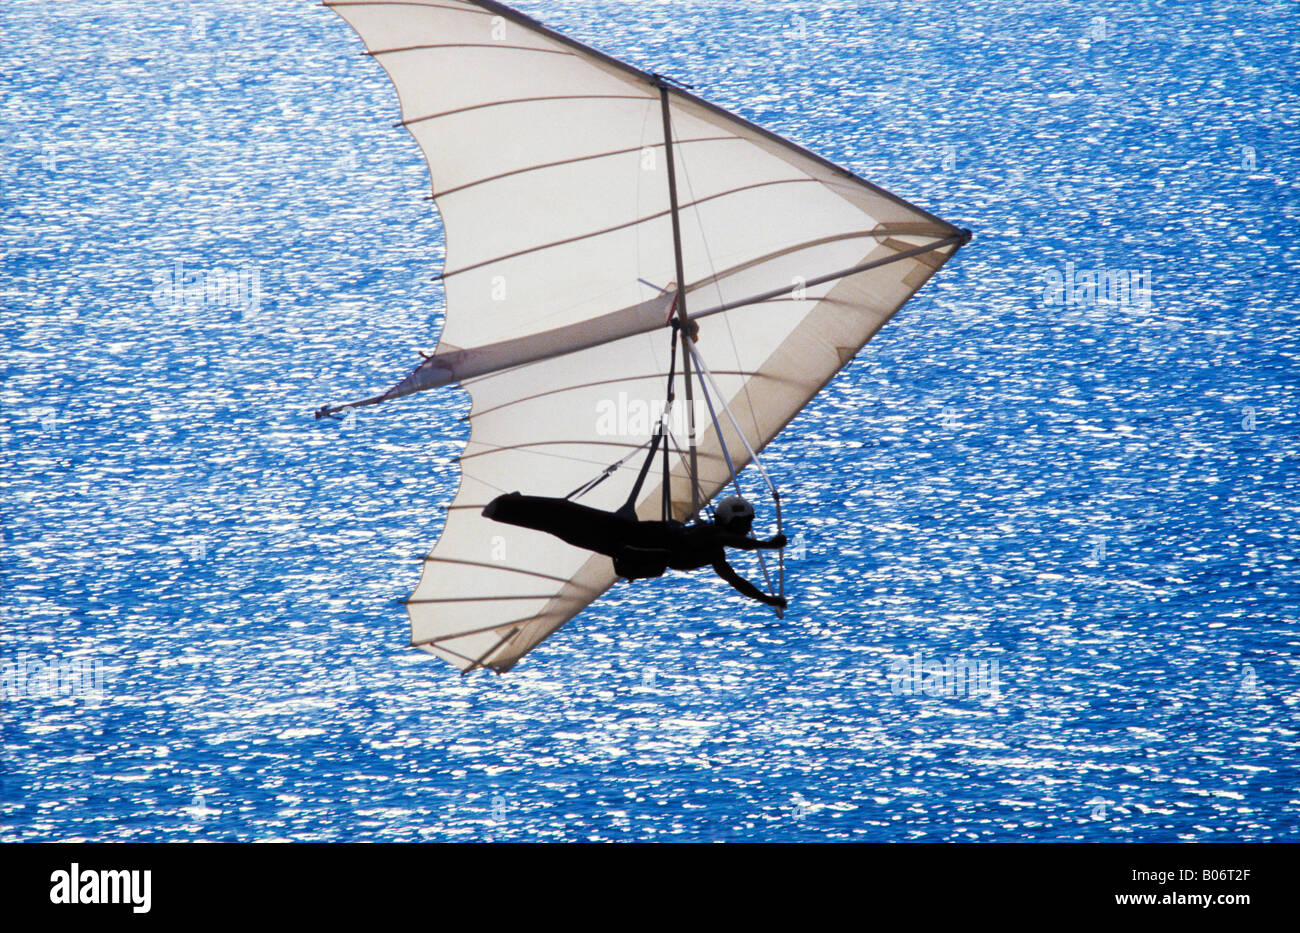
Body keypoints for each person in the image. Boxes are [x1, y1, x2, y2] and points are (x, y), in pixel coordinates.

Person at [483, 492, 788, 609]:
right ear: (733, 522)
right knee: (565, 516)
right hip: (624, 533)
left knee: (564, 524)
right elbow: (734, 540)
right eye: (745, 524)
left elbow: (738, 582)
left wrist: (766, 598)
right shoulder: (710, 534)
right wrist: (767, 545)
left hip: (622, 542)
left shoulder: (714, 550)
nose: (748, 530)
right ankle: (507, 507)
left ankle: (506, 509)